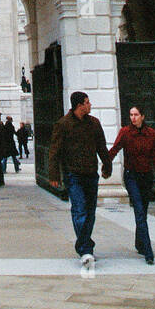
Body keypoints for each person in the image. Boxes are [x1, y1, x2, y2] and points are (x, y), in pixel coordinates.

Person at [47, 92, 112, 268]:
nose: (90, 105)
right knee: (79, 210)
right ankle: (85, 249)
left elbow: (101, 146)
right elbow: (54, 151)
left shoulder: (94, 124)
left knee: (90, 212)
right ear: (79, 105)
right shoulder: (63, 124)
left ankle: (84, 245)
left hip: (91, 173)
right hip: (73, 175)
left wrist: (107, 165)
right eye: (87, 102)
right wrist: (54, 175)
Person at [108, 105, 155, 265]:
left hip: (146, 177)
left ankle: (139, 243)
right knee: (139, 211)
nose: (133, 117)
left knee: (143, 212)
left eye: (136, 114)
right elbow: (115, 149)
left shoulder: (151, 134)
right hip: (131, 176)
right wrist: (106, 166)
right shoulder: (125, 132)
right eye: (131, 114)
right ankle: (148, 251)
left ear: (142, 116)